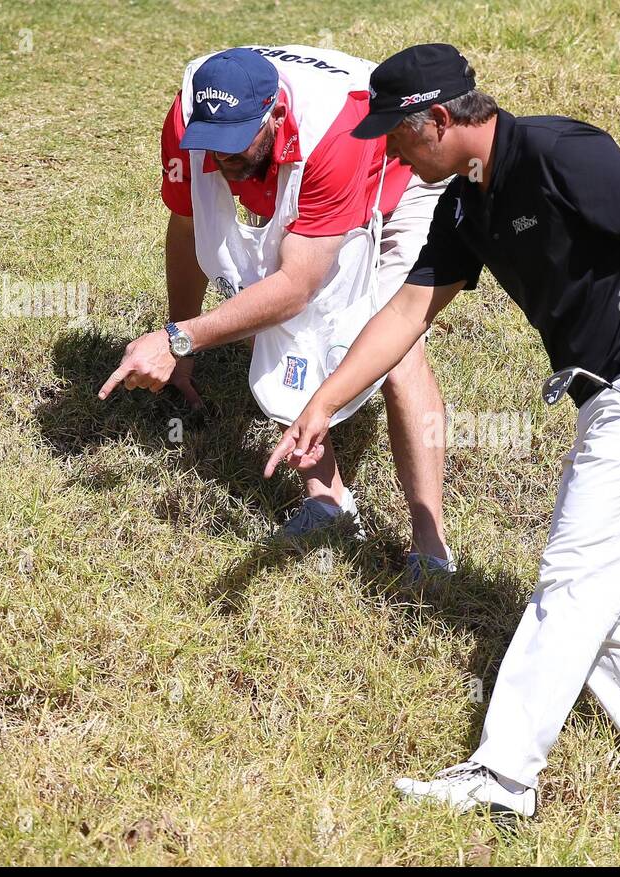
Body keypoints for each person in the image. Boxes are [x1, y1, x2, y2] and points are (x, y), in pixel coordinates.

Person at [265, 44, 620, 817]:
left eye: (395, 133)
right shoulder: (462, 204)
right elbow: (408, 312)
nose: (386, 149)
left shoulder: (556, 149)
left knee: (569, 583)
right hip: (609, 398)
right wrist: (321, 404)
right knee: (594, 601)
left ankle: (503, 778)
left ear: (440, 119)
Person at [99, 45, 454, 577]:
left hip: (396, 182)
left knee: (394, 347)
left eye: (237, 146)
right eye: (212, 147)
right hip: (306, 189)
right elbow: (188, 224)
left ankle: (431, 545)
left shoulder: (336, 129)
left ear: (277, 117)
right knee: (260, 319)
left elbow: (296, 288)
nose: (222, 162)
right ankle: (328, 501)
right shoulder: (190, 116)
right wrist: (186, 350)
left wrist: (178, 337)